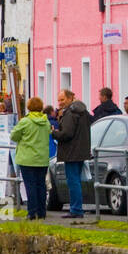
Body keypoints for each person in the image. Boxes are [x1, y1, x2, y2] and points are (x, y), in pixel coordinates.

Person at [51, 89, 92, 218]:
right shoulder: (83, 112)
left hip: (71, 152)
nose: (60, 103)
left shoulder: (70, 113)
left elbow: (67, 134)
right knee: (76, 181)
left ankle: (76, 209)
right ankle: (77, 208)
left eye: (62, 100)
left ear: (70, 99)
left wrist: (54, 132)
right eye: (58, 100)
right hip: (81, 151)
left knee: (73, 181)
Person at [10, 97, 52, 220]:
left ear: (29, 107)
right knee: (41, 185)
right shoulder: (46, 122)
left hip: (27, 159)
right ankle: (42, 212)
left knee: (30, 186)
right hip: (42, 159)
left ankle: (32, 212)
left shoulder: (25, 121)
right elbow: (49, 133)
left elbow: (14, 135)